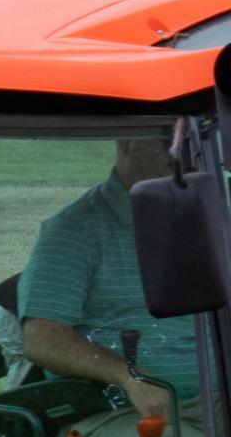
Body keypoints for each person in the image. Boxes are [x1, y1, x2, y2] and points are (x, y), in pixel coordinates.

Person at [17, 136, 200, 417]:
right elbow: (42, 340)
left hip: (214, 405)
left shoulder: (204, 221)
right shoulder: (74, 230)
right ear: (127, 142)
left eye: (189, 141)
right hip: (119, 413)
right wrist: (127, 376)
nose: (179, 154)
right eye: (167, 141)